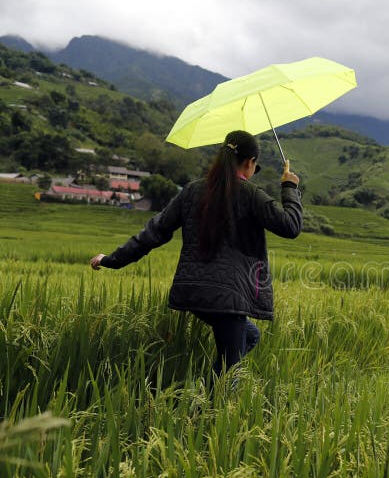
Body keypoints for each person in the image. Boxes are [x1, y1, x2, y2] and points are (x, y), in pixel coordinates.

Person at [90, 130, 302, 378]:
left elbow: (153, 232)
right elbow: (291, 226)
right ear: (249, 163)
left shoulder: (192, 191)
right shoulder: (250, 195)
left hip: (193, 291)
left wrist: (111, 260)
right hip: (229, 297)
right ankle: (203, 412)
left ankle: (201, 403)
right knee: (228, 370)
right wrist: (289, 187)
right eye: (255, 167)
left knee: (250, 336)